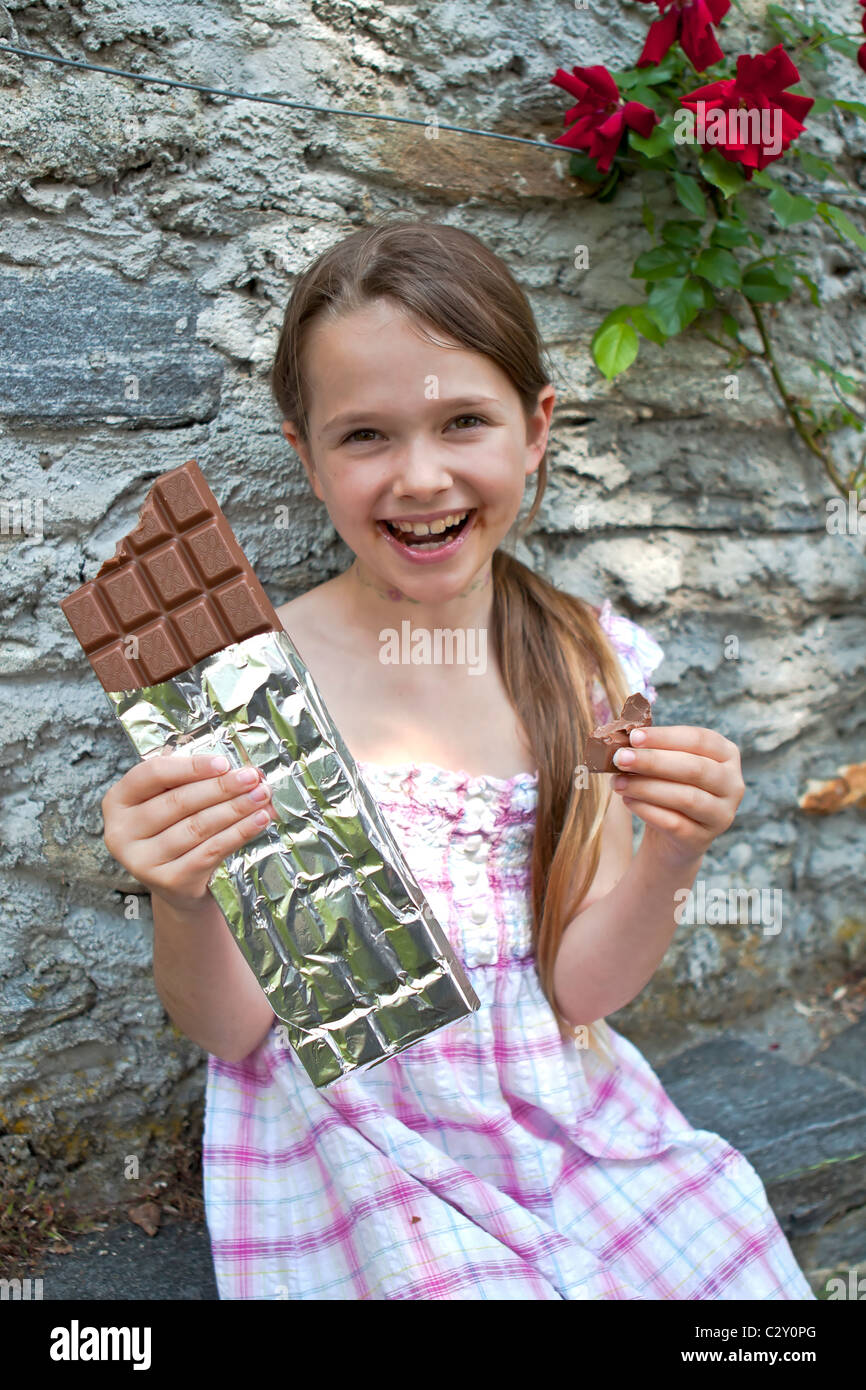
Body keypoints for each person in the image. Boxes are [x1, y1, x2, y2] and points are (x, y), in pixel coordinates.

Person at [101, 219, 815, 1301]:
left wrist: (671, 856)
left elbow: (579, 987)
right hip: (367, 1145)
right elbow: (233, 1026)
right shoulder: (252, 685)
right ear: (305, 455)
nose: (420, 477)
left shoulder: (583, 660)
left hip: (564, 1119)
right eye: (366, 437)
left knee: (736, 1274)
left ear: (534, 430)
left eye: (462, 422)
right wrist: (184, 896)